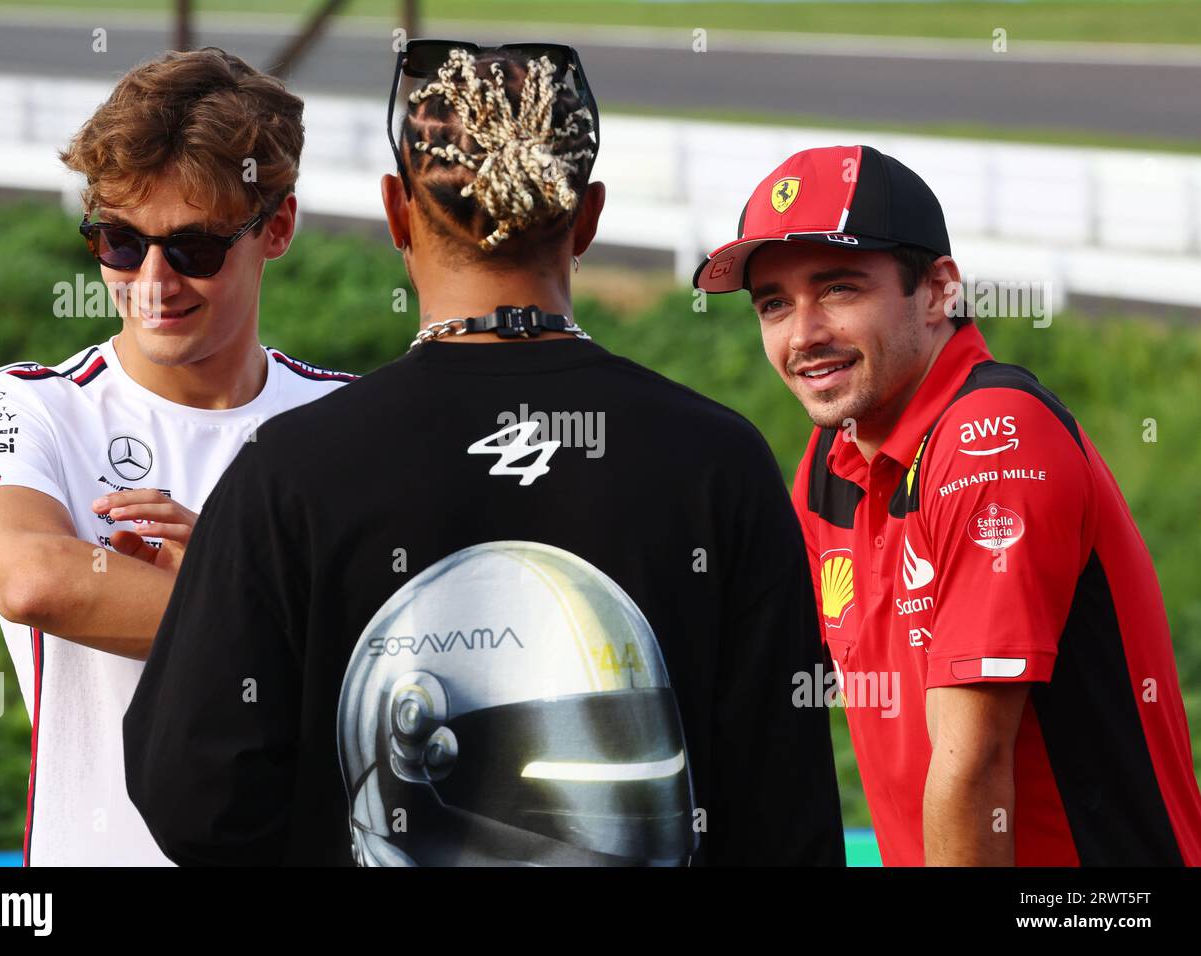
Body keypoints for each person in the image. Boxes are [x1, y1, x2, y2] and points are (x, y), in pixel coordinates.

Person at [123, 41, 845, 866]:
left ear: (396, 210)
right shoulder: (722, 461)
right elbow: (787, 817)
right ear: (590, 217)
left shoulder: (291, 468)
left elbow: (194, 798)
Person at [693, 143, 1201, 866]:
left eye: (838, 289)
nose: (802, 335)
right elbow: (763, 686)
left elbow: (973, 768)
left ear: (937, 290)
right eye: (774, 303)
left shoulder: (995, 440)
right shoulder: (834, 459)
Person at [0, 47, 355, 866]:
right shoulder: (27, 404)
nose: (152, 282)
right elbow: (30, 579)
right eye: (121, 243)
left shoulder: (352, 419)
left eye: (195, 249)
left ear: (277, 226)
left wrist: (215, 588)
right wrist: (259, 596)